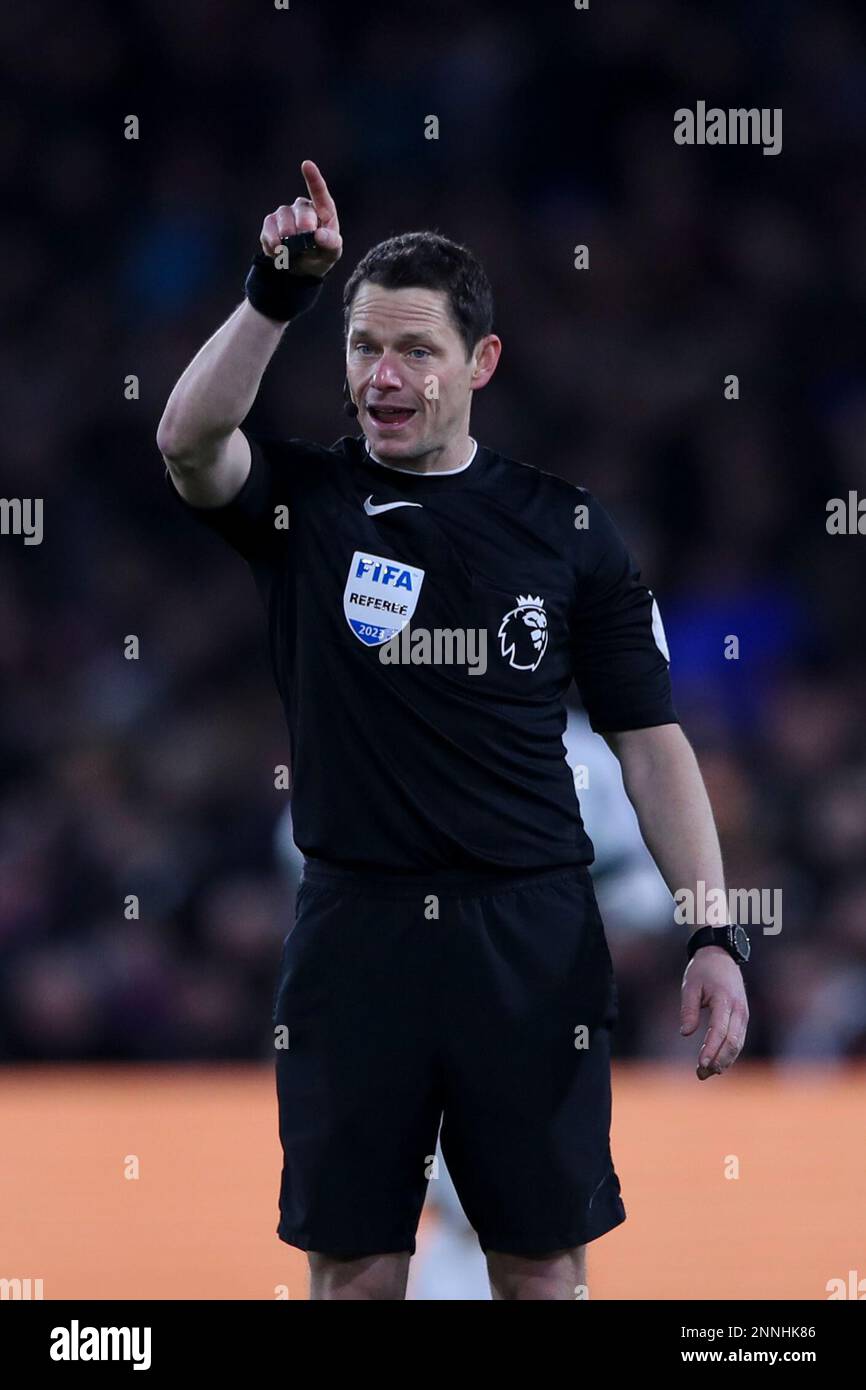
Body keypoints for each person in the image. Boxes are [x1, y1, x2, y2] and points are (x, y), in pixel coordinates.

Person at [157, 160, 749, 1301]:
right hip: (354, 933)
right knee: (360, 1273)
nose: (382, 375)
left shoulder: (567, 531)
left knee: (537, 1272)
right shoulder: (304, 506)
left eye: (415, 350)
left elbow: (650, 744)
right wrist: (275, 293)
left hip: (526, 936)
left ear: (477, 364)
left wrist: (712, 933)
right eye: (363, 347)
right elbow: (188, 442)